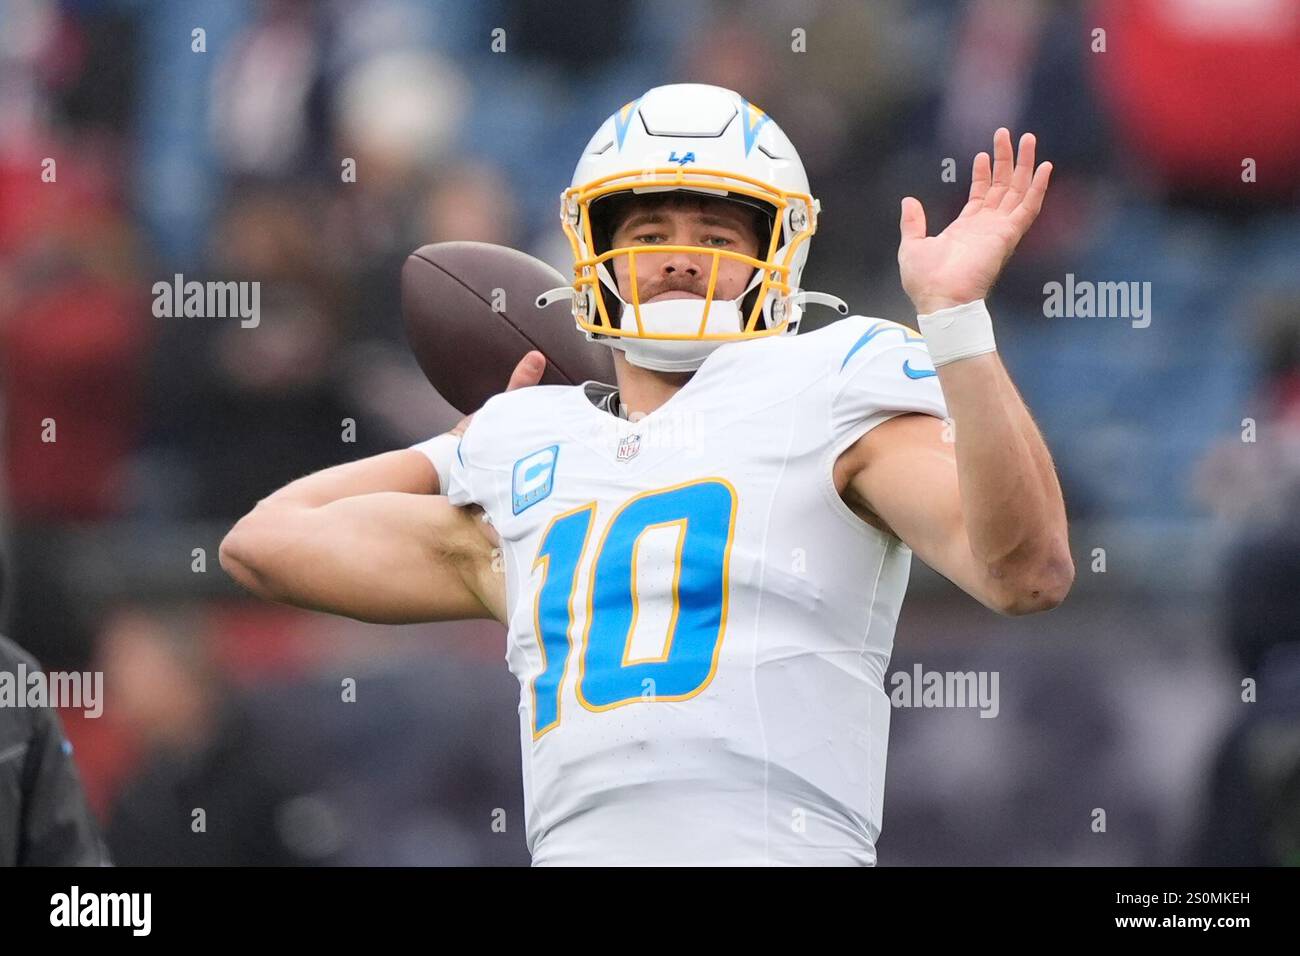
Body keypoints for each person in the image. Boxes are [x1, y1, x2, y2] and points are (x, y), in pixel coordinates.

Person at [221, 84, 1072, 865]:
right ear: (591, 251)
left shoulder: (834, 380)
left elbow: (1024, 572)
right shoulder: (529, 449)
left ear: (778, 256)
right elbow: (261, 541)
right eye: (648, 234)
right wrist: (458, 446)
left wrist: (956, 321)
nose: (678, 258)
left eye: (717, 236)